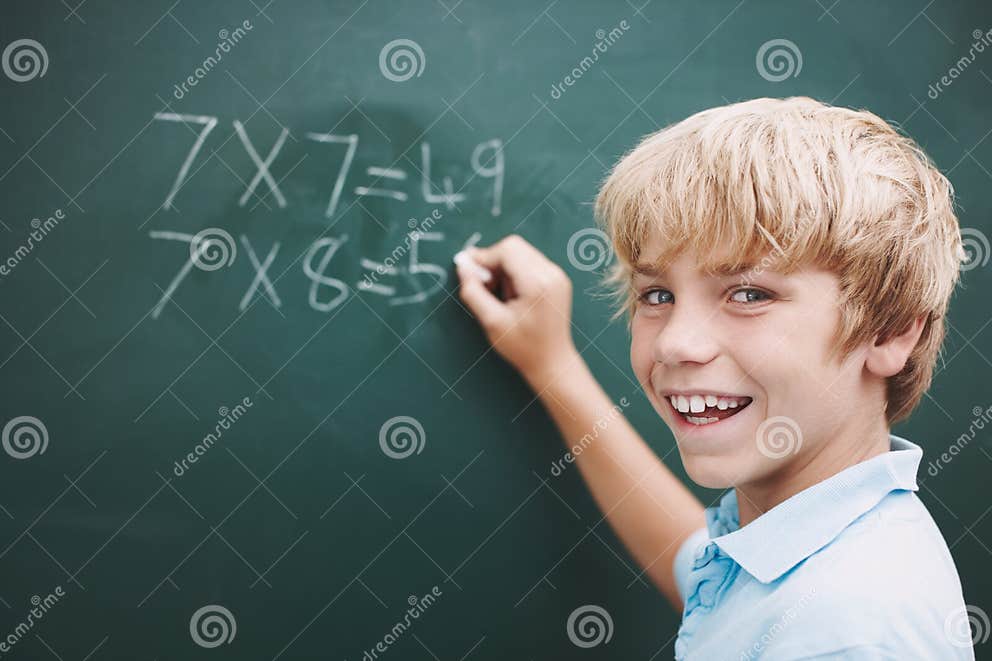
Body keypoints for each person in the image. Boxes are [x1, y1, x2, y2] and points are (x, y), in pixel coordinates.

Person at [455, 97, 973, 659]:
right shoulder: (811, 552)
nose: (675, 341)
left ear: (889, 331)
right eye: (657, 294)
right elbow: (710, 579)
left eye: (749, 294)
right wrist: (553, 367)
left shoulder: (846, 633)